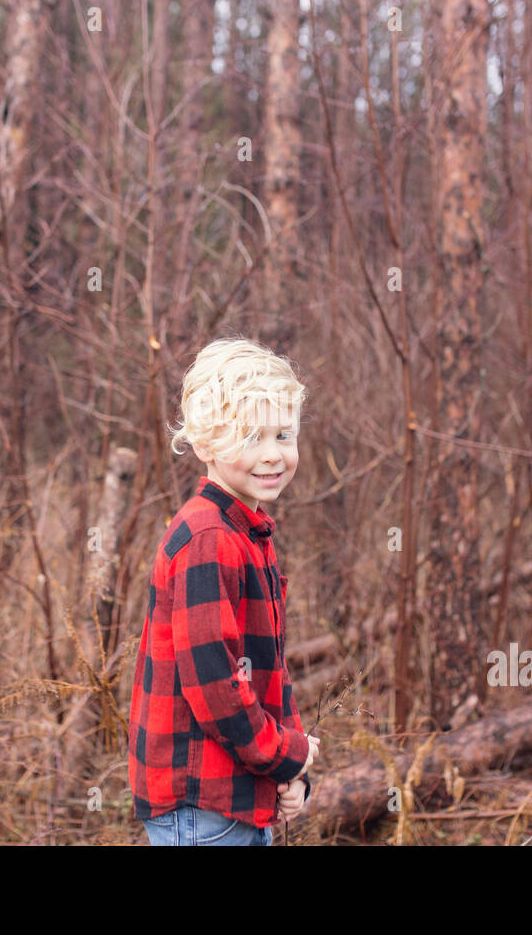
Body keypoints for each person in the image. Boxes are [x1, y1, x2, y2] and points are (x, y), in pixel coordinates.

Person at [128, 337, 319, 845]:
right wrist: (285, 755)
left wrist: (290, 770)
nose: (273, 454)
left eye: (284, 434)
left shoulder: (246, 531)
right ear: (206, 443)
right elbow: (217, 687)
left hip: (235, 796)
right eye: (252, 437)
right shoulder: (209, 539)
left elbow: (266, 671)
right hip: (201, 806)